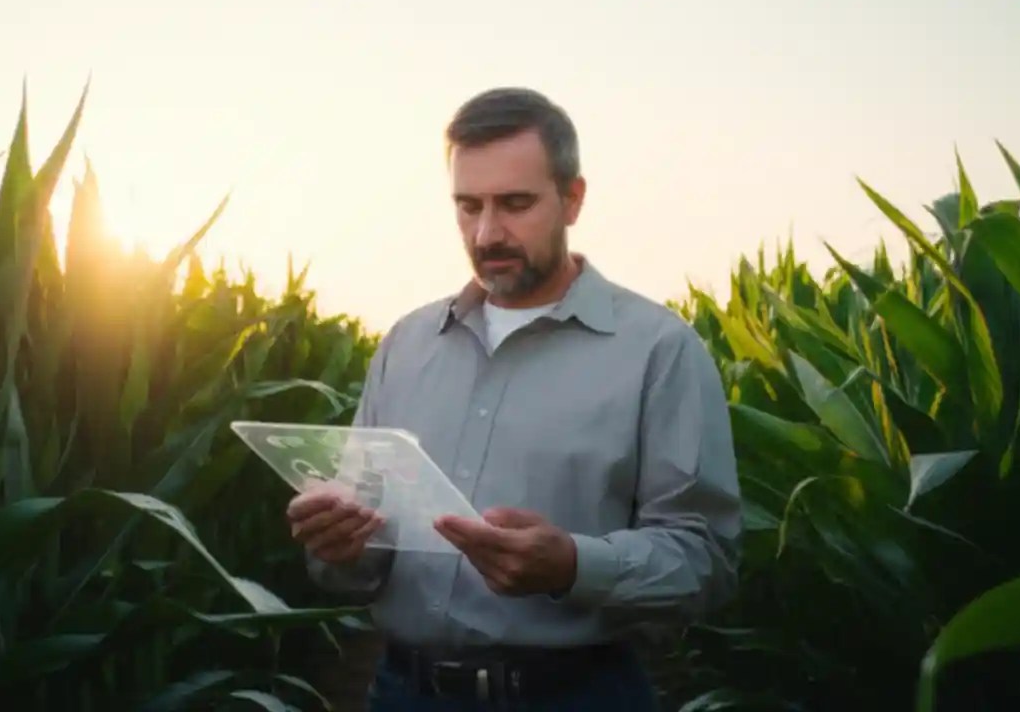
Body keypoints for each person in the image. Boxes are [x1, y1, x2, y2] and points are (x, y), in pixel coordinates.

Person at [285, 87, 741, 711]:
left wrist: (572, 566)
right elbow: (361, 563)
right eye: (467, 206)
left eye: (515, 204)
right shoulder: (406, 345)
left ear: (573, 198)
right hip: (405, 693)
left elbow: (705, 560)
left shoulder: (659, 351)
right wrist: (342, 549)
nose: (487, 231)